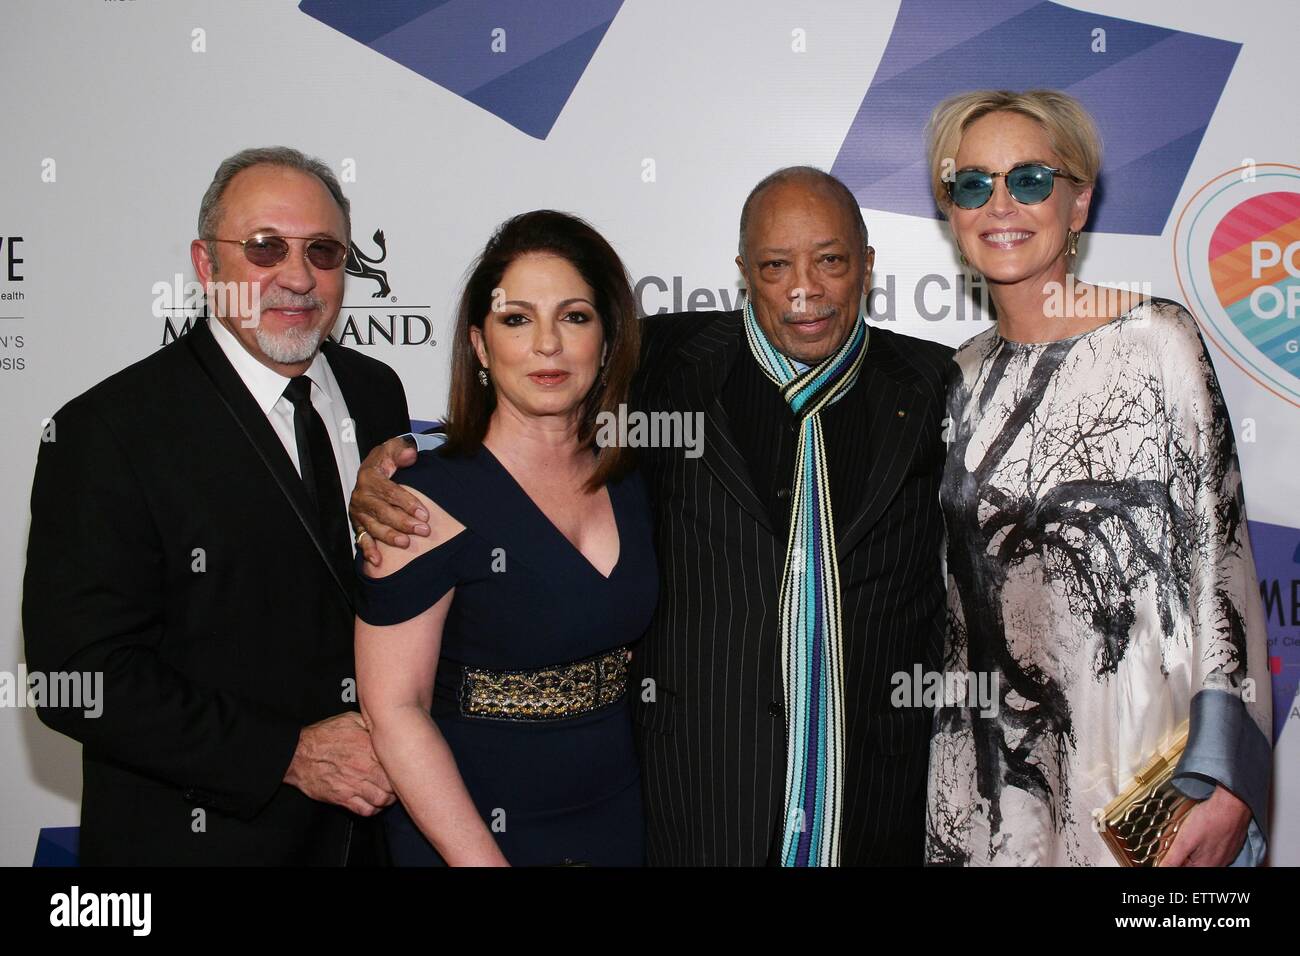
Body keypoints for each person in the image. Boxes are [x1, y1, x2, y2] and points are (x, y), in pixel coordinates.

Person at [352, 168, 953, 865]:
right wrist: (392, 455)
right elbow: (398, 697)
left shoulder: (937, 386)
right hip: (691, 811)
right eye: (774, 264)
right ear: (742, 272)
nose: (803, 288)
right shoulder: (672, 370)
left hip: (844, 805)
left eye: (831, 259)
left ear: (868, 264)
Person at [22, 146, 407, 865]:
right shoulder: (109, 430)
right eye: (265, 248)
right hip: (200, 843)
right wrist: (288, 754)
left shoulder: (376, 391)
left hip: (372, 839)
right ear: (207, 266)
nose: (297, 276)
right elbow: (78, 677)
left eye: (323, 251)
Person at [922, 89, 1272, 866]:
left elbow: (1223, 566)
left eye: (1032, 179)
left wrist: (1225, 780)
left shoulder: (1156, 341)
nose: (1001, 203)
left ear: (1078, 203)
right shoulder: (951, 381)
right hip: (993, 788)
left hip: (1144, 780)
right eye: (972, 184)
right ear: (952, 211)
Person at [354, 210, 656, 866]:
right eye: (516, 318)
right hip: (470, 832)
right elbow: (394, 709)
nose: (547, 344)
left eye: (574, 317)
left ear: (607, 342)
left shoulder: (636, 478)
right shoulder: (419, 496)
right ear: (481, 347)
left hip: (620, 819)